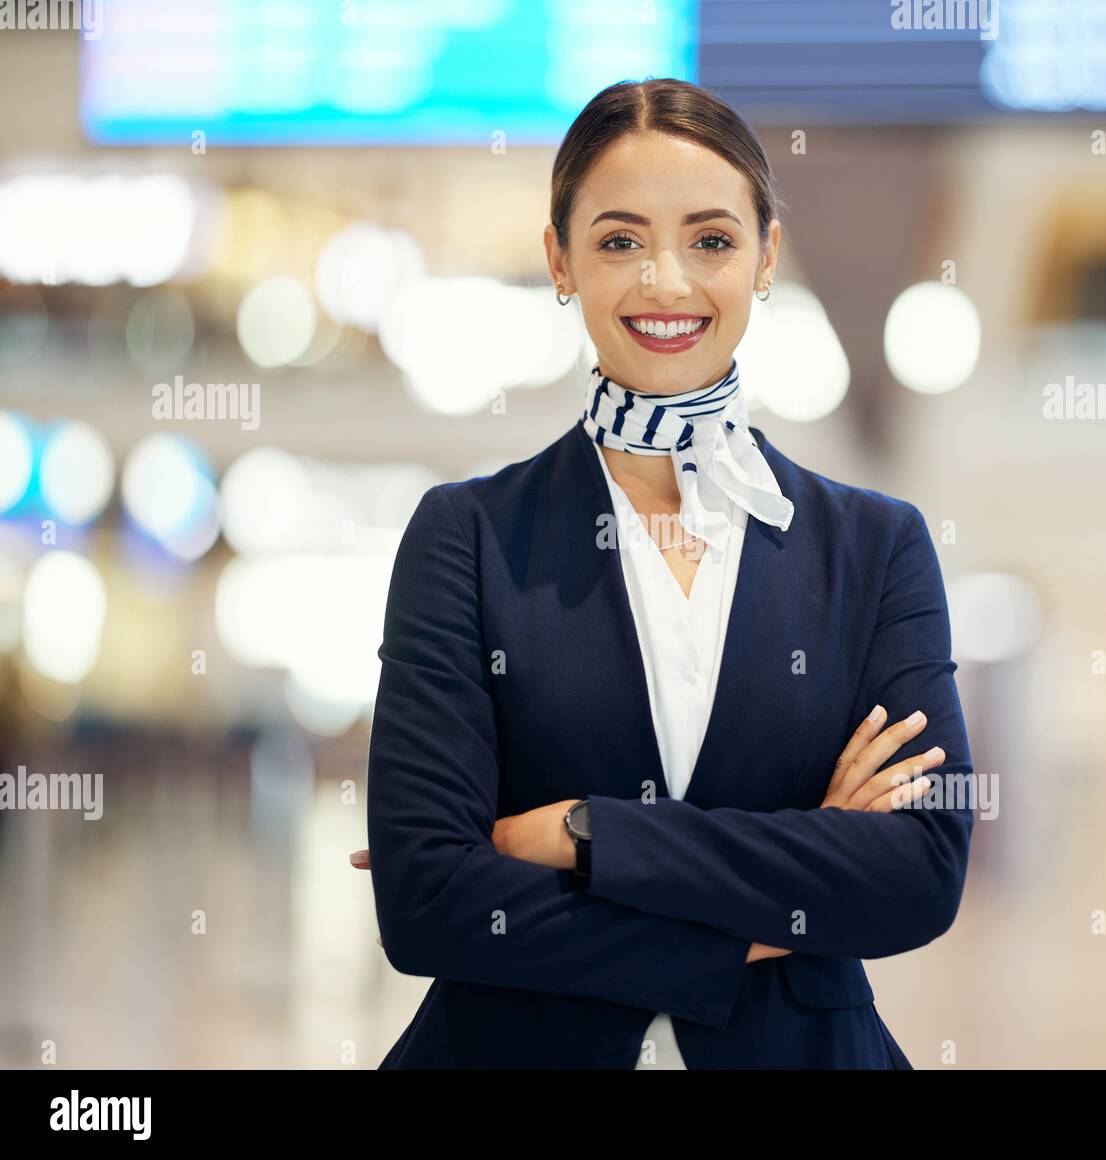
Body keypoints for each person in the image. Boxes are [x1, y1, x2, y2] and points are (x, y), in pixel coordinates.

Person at [358, 77, 973, 1069]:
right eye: (618, 240)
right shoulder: (466, 536)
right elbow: (430, 902)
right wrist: (780, 901)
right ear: (559, 260)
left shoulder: (874, 547)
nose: (667, 282)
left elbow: (917, 872)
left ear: (767, 255)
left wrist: (585, 832)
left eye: (711, 240)